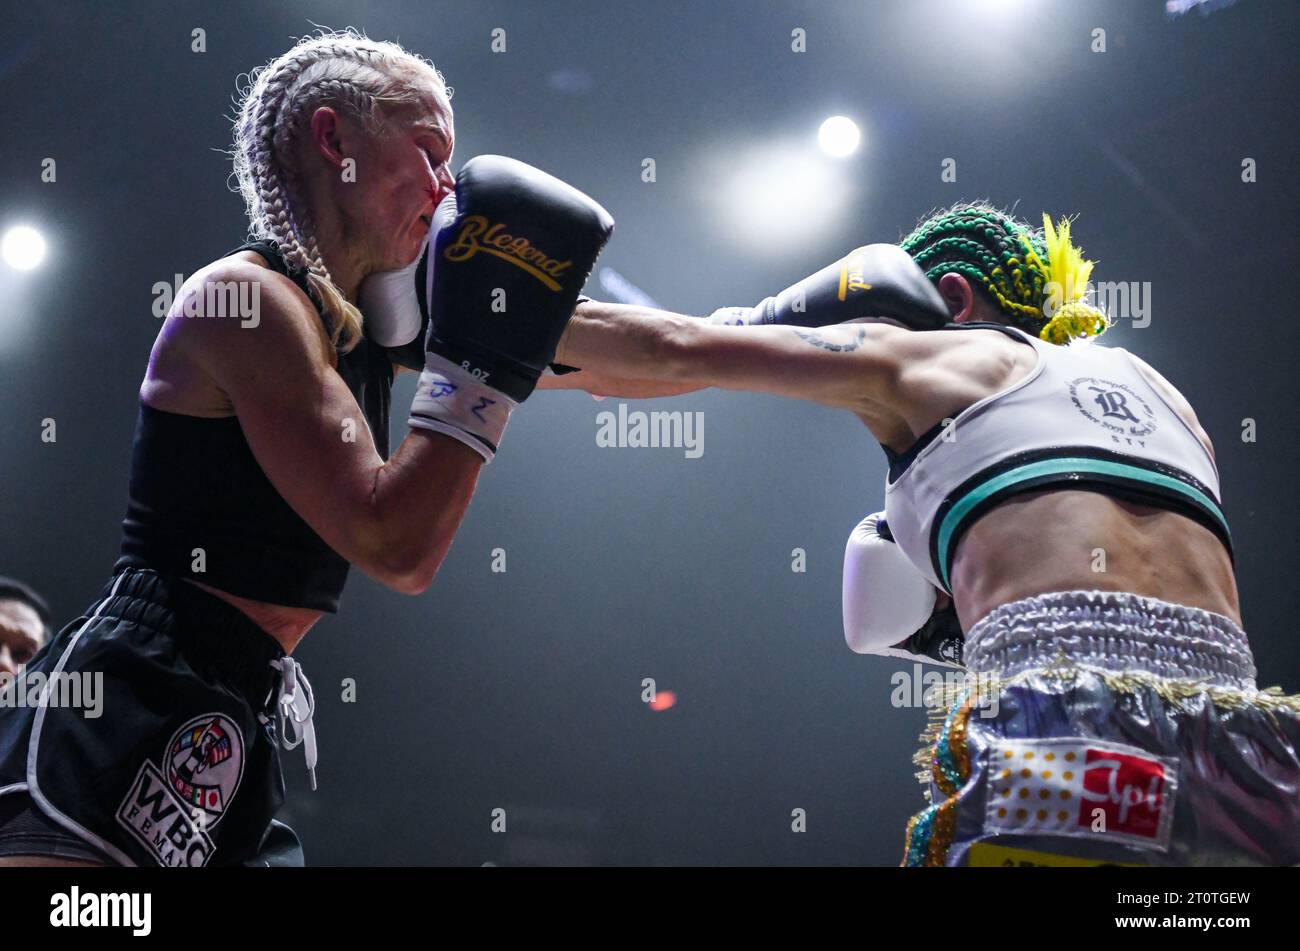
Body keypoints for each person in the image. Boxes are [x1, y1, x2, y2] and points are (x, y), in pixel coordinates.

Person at [0, 30, 612, 866]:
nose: (446, 189)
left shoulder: (381, 327)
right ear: (334, 141)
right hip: (137, 686)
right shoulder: (244, 300)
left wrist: (795, 342)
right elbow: (396, 545)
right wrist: (483, 368)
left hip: (240, 708)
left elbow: (630, 347)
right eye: (429, 153)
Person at [532, 202, 1300, 866]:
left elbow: (667, 352)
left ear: (952, 298)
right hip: (1255, 751)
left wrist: (477, 321)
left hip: (1070, 740)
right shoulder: (1164, 396)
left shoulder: (928, 356)